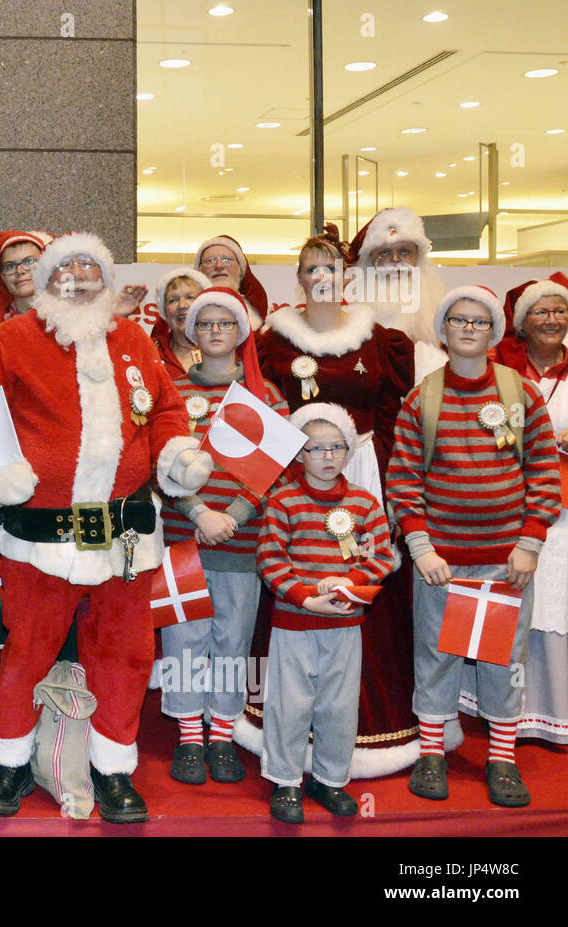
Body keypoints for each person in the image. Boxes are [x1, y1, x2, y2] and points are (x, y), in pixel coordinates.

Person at [0, 232, 212, 823]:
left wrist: (175, 452)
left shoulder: (132, 339)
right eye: (64, 266)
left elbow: (166, 409)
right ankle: (11, 762)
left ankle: (113, 769)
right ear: (45, 279)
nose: (77, 275)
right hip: (41, 536)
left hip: (124, 538)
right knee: (26, 652)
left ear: (105, 280)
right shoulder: (13, 338)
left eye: (90, 266)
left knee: (124, 657)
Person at [248, 229, 420, 777]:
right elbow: (261, 418)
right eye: (311, 269)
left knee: (372, 589)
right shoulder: (271, 341)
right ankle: (281, 733)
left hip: (364, 473)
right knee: (295, 579)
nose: (322, 278)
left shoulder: (380, 341)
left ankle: (376, 725)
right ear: (297, 279)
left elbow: (395, 416)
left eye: (331, 269)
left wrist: (393, 488)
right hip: (299, 479)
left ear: (347, 278)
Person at [386, 285, 560, 808]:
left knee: (501, 662)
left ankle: (502, 760)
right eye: (458, 320)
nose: (468, 329)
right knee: (435, 657)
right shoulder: (423, 398)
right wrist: (421, 550)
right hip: (441, 564)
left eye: (479, 322)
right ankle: (433, 754)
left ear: (495, 332)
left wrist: (529, 545)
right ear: (443, 331)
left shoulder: (520, 394)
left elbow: (545, 475)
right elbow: (403, 480)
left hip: (506, 564)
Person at [158, 287, 288, 786]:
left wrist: (230, 515)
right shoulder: (170, 391)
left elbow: (273, 470)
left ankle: (223, 737)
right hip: (184, 539)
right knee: (184, 638)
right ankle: (190, 737)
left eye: (225, 324)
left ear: (241, 332)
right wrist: (198, 513)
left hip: (240, 542)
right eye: (205, 324)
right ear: (192, 332)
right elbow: (159, 464)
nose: (215, 332)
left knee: (231, 643)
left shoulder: (264, 395)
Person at [257, 403, 396, 823]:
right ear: (300, 454)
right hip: (296, 623)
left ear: (349, 451)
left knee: (338, 706)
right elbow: (270, 558)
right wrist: (304, 596)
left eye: (337, 447)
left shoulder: (364, 502)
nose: (328, 457)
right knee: (290, 704)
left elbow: (382, 555)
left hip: (345, 622)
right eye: (317, 449)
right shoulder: (284, 500)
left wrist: (350, 586)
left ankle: (330, 778)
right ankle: (284, 781)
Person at [483, 277, 568, 744]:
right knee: (514, 607)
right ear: (521, 322)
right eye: (541, 312)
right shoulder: (501, 374)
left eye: (560, 312)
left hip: (566, 512)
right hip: (510, 507)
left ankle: (554, 712)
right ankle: (503, 713)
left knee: (558, 608)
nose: (552, 319)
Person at [348, 207, 448, 374]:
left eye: (404, 251)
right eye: (385, 252)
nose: (395, 259)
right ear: (371, 258)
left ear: (418, 256)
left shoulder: (441, 308)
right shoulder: (349, 305)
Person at [195, 233, 267, 326]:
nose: (219, 266)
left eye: (226, 259)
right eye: (211, 260)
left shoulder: (267, 322)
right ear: (200, 271)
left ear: (240, 269)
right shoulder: (185, 311)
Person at [0, 230, 51, 332]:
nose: (19, 271)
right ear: (1, 277)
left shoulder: (70, 318)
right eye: (9, 266)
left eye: (29, 261)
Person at [149, 268, 211, 377]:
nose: (182, 305)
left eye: (190, 297)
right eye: (173, 300)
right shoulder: (150, 350)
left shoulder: (223, 349)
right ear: (165, 312)